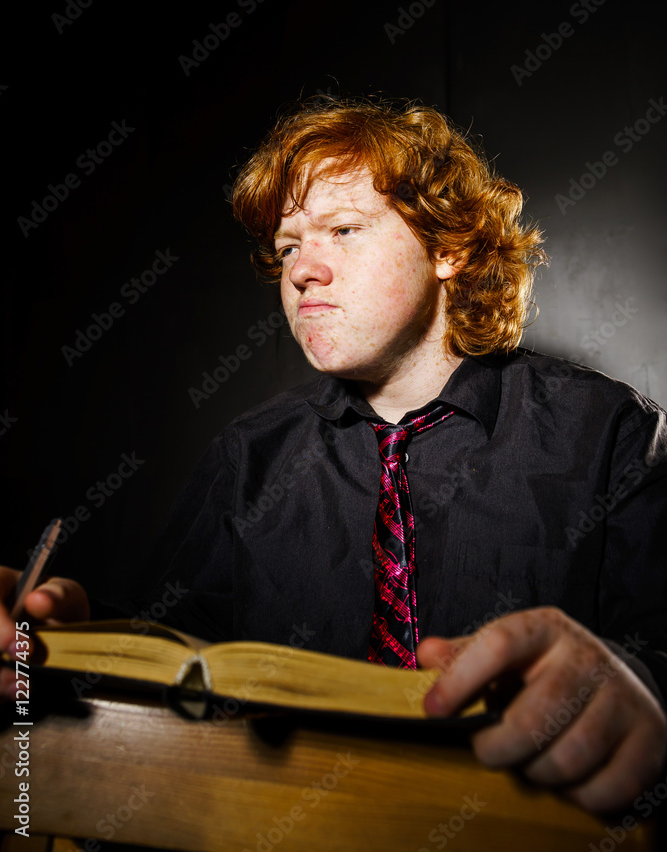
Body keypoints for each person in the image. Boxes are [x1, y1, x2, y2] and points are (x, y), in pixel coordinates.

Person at [1, 97, 666, 817]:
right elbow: (176, 670)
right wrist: (57, 647)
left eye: (342, 230)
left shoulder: (606, 432)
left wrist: (644, 699)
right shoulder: (248, 458)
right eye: (287, 246)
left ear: (447, 249)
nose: (300, 271)